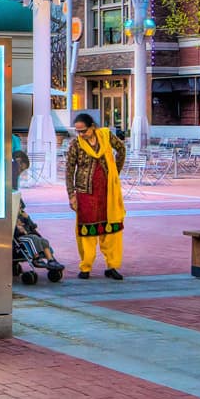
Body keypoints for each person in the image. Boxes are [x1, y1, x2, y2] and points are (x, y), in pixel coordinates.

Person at [63, 111, 125, 280]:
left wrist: (114, 173)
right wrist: (71, 194)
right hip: (85, 193)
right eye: (78, 131)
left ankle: (112, 266)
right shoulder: (75, 145)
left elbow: (121, 149)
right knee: (87, 230)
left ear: (92, 127)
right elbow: (69, 171)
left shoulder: (105, 136)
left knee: (110, 228)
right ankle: (86, 266)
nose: (81, 134)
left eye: (83, 131)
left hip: (107, 192)